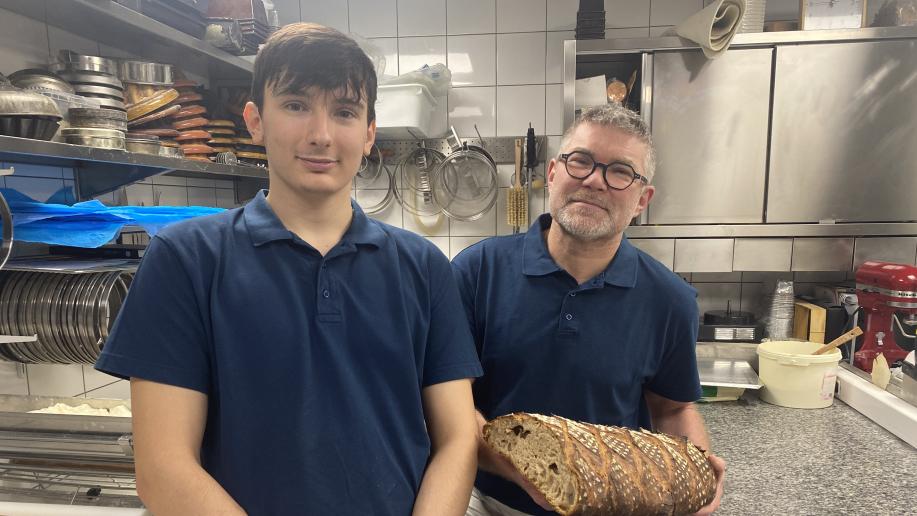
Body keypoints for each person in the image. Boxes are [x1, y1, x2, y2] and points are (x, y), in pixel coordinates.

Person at [96, 23, 482, 516]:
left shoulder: (424, 267)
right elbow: (163, 467)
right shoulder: (186, 259)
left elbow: (456, 441)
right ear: (255, 120)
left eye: (344, 112)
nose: (320, 135)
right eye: (296, 105)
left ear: (368, 134)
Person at [452, 104, 726, 516]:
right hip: (490, 500)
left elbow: (673, 409)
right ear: (552, 174)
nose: (595, 181)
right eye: (580, 161)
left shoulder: (670, 300)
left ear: (642, 200)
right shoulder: (477, 272)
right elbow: (449, 406)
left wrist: (695, 475)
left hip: (610, 507)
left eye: (620, 171)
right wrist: (521, 470)